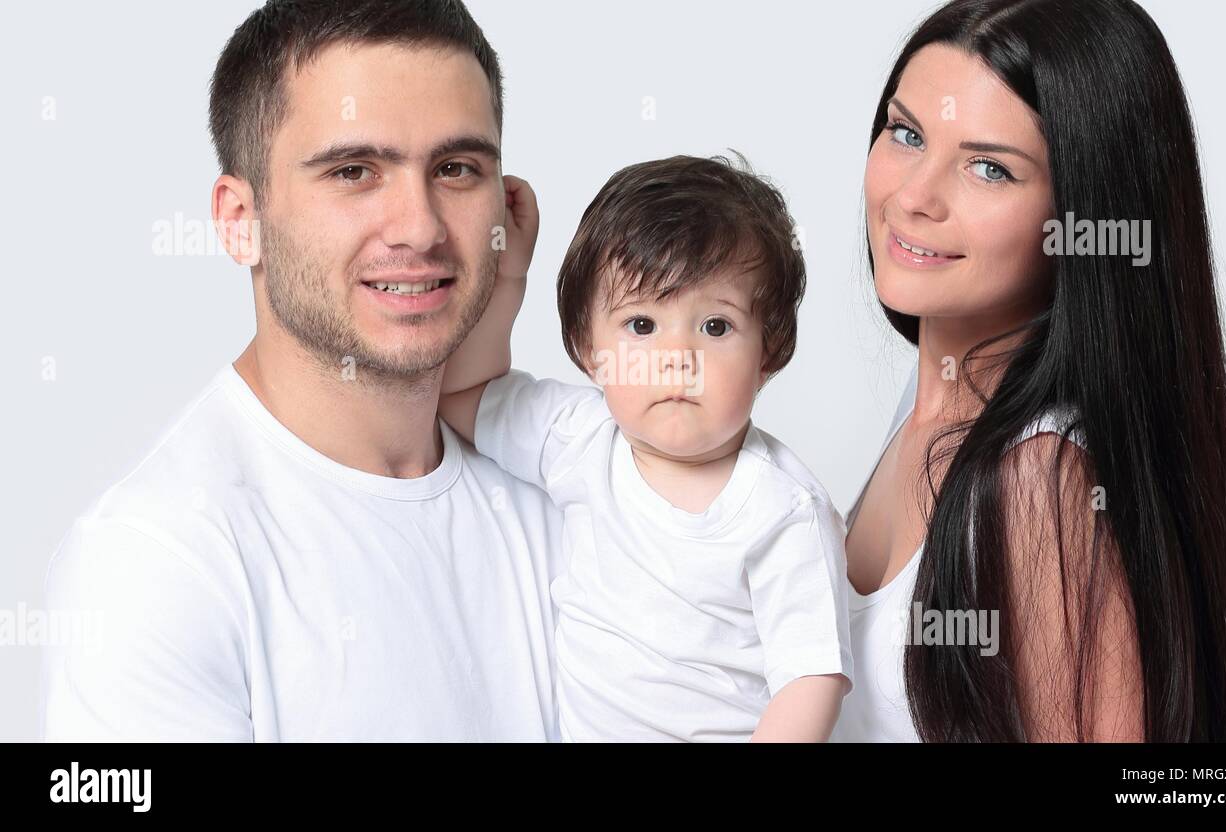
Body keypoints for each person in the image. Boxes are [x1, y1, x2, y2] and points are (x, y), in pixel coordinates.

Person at [40, 0, 564, 741]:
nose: (419, 227)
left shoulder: (566, 494)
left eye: (456, 169)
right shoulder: (156, 563)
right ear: (238, 220)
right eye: (355, 171)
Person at [834, 0, 1226, 742]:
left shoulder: (1040, 478)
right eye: (906, 133)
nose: (914, 196)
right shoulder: (931, 404)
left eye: (989, 168)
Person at [437, 155, 855, 741]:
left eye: (715, 327)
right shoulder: (577, 438)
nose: (676, 357)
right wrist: (508, 281)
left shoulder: (784, 510)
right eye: (641, 325)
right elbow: (460, 393)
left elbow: (811, 679)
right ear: (587, 346)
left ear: (771, 350)